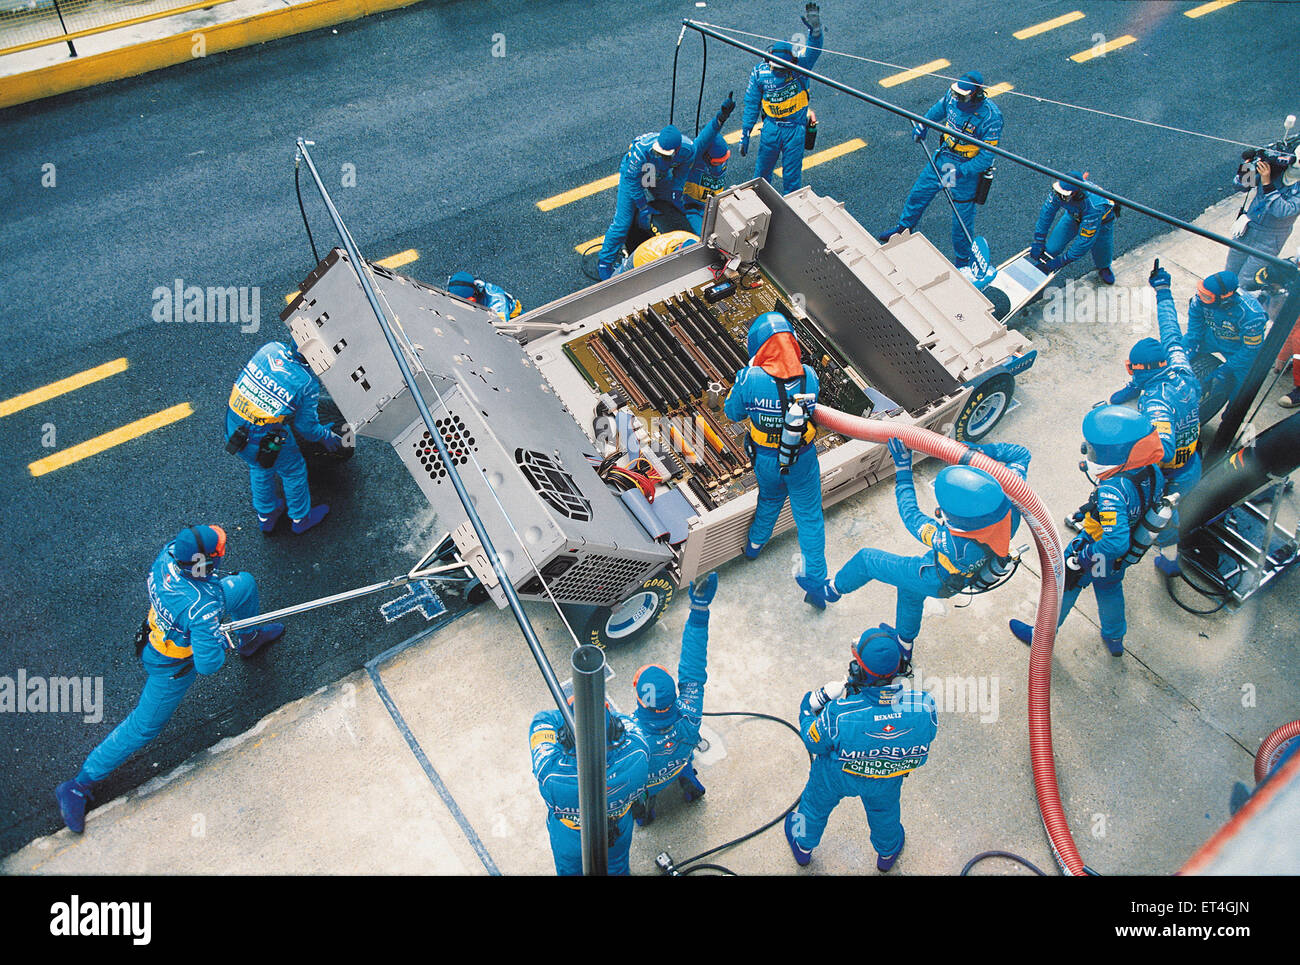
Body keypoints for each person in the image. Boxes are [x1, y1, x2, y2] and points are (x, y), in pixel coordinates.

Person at [54, 526, 283, 833]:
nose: (223, 550)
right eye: (218, 551)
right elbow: (208, 664)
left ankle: (250, 637)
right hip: (171, 663)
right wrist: (216, 636)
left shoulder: (170, 554)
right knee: (143, 727)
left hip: (160, 627)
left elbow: (203, 591)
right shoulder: (203, 608)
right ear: (202, 563)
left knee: (244, 585)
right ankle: (79, 784)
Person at [826, 440, 1031, 665]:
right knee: (909, 592)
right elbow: (1021, 454)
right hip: (964, 574)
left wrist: (903, 469)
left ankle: (831, 589)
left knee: (867, 560)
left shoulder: (952, 543)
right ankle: (904, 645)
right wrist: (977, 454)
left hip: (933, 577)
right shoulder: (1012, 500)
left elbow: (910, 514)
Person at [1010, 406, 1166, 656]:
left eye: (1094, 450)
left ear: (1117, 454)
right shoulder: (1151, 469)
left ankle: (1041, 637)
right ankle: (1115, 637)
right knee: (1109, 589)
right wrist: (1091, 509)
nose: (1088, 453)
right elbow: (1135, 506)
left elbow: (1115, 542)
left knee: (1064, 589)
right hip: (1119, 559)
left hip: (1097, 551)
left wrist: (1082, 559)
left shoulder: (1112, 491)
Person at [784, 625, 937, 872]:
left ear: (858, 670)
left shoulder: (837, 714)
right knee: (885, 813)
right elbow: (928, 733)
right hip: (887, 774)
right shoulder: (923, 705)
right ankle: (887, 853)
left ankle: (802, 845)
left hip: (836, 775)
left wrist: (806, 709)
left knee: (813, 805)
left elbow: (813, 741)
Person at [724, 312, 830, 608]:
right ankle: (817, 588)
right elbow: (813, 408)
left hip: (766, 460)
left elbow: (733, 414)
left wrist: (749, 380)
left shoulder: (748, 378)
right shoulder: (809, 375)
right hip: (802, 459)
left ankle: (753, 549)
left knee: (769, 501)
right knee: (809, 519)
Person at [1105, 262, 1202, 575]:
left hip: (1171, 475)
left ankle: (1170, 561)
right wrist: (1163, 290)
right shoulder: (1178, 363)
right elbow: (1171, 330)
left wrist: (1125, 456)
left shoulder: (1155, 402)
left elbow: (1164, 451)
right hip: (1194, 460)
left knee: (1161, 517)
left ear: (1142, 372)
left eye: (1132, 370)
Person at [596, 95, 733, 281]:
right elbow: (633, 182)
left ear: (676, 151)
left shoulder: (687, 150)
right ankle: (604, 262)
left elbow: (682, 171)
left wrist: (676, 194)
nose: (660, 155)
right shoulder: (641, 151)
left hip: (660, 175)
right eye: (658, 153)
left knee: (671, 210)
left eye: (665, 155)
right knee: (623, 221)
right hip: (641, 172)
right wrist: (643, 207)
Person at [879, 70, 1003, 268]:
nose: (956, 98)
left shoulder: (991, 118)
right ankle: (903, 229)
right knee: (919, 194)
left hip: (966, 171)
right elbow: (936, 111)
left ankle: (962, 262)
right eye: (955, 93)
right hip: (944, 158)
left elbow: (986, 158)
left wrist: (961, 172)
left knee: (961, 220)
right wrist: (922, 126)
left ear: (976, 95)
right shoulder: (952, 96)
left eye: (962, 96)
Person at [226, 341, 344, 535]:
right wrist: (325, 435)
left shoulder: (269, 348)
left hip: (233, 423)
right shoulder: (306, 383)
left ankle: (266, 516)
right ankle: (301, 518)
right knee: (293, 470)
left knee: (258, 466)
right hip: (263, 436)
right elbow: (306, 427)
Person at [630, 572, 715, 825]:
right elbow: (693, 664)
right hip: (680, 762)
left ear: (641, 701)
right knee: (684, 767)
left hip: (650, 782)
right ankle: (690, 787)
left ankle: (646, 815)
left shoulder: (630, 735)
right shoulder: (690, 710)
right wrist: (699, 610)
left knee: (639, 798)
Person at [528, 700, 649, 875]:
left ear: (567, 739)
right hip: (617, 827)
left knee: (570, 871)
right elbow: (622, 722)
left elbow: (542, 720)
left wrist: (570, 710)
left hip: (571, 835)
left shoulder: (552, 774)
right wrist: (601, 710)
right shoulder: (639, 752)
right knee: (618, 866)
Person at [740, 3, 823, 194]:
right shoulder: (760, 72)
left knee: (792, 180)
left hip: (795, 129)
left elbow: (814, 50)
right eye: (774, 67)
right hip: (771, 126)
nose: (776, 72)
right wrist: (745, 133)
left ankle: (790, 216)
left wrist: (816, 32)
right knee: (760, 176)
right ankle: (759, 208)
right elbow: (752, 103)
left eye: (781, 69)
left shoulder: (801, 67)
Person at [1184, 270, 1267, 408]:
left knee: (1243, 389)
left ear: (1225, 298)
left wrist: (1226, 368)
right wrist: (1193, 342)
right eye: (1200, 292)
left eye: (1206, 296)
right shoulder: (1200, 298)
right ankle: (1139, 382)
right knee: (1174, 350)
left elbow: (1251, 349)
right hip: (1211, 336)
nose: (1200, 297)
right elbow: (1195, 319)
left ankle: (1229, 420)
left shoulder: (1252, 316)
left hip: (1238, 349)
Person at [1029, 170, 1116, 284]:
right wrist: (1039, 240)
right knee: (1052, 248)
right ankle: (1042, 264)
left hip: (1100, 223)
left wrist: (1063, 260)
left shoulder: (1094, 206)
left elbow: (1085, 240)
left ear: (1076, 193)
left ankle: (1104, 267)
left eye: (1063, 195)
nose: (1059, 196)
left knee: (1102, 249)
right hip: (1073, 216)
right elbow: (1047, 213)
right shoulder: (1059, 192)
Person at [1228, 153, 1300, 290]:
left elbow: (1282, 211)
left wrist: (1267, 183)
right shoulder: (1275, 169)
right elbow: (1241, 186)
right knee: (1230, 272)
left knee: (1246, 281)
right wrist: (1249, 166)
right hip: (1248, 228)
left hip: (1271, 237)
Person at [675, 137, 731, 233]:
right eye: (716, 163)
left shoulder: (720, 155)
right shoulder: (694, 159)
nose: (720, 166)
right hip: (691, 207)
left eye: (724, 161)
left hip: (712, 205)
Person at [613, 230, 698, 276]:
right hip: (642, 257)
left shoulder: (696, 240)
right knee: (617, 282)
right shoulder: (649, 259)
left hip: (660, 248)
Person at [446, 271, 522, 320]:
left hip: (514, 321)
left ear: (475, 294)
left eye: (467, 301)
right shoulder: (470, 284)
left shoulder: (497, 301)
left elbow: (500, 331)